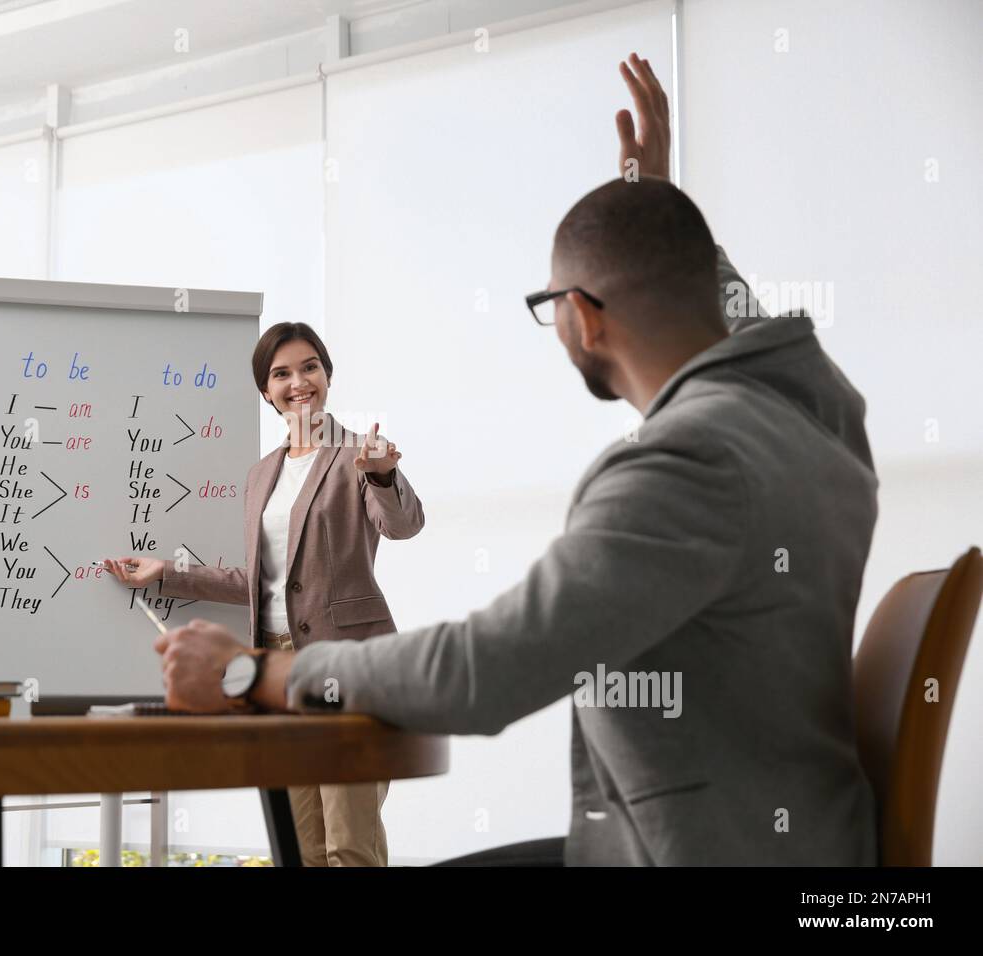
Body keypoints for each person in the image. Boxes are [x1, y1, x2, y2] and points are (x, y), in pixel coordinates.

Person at [146, 54, 879, 865]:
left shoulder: (680, 467)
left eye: (549, 306)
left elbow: (479, 671)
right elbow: (749, 333)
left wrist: (253, 677)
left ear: (583, 319)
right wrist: (661, 216)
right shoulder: (816, 405)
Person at [104, 322, 424, 866]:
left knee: (350, 839)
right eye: (281, 374)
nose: (298, 382)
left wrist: (384, 476)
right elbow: (258, 581)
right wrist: (166, 573)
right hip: (274, 674)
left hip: (345, 666)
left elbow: (403, 526)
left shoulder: (360, 454)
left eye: (309, 367)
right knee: (299, 845)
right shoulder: (261, 476)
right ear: (265, 390)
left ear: (327, 374)